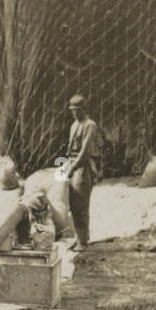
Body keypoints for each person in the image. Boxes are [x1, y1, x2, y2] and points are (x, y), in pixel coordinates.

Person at [63, 96, 101, 251]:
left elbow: (85, 152)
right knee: (71, 202)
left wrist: (72, 168)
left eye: (76, 111)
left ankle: (83, 241)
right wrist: (64, 167)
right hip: (72, 164)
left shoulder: (90, 125)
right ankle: (78, 237)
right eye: (72, 111)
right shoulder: (74, 125)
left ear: (83, 109)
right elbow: (69, 150)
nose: (74, 114)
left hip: (84, 167)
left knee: (81, 204)